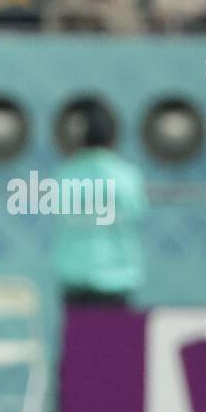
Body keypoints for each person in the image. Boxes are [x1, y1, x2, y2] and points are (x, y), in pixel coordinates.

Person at [50, 105, 146, 307]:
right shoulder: (126, 175)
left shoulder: (65, 173)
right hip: (118, 279)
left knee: (80, 338)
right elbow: (138, 210)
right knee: (113, 338)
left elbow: (57, 210)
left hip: (76, 278)